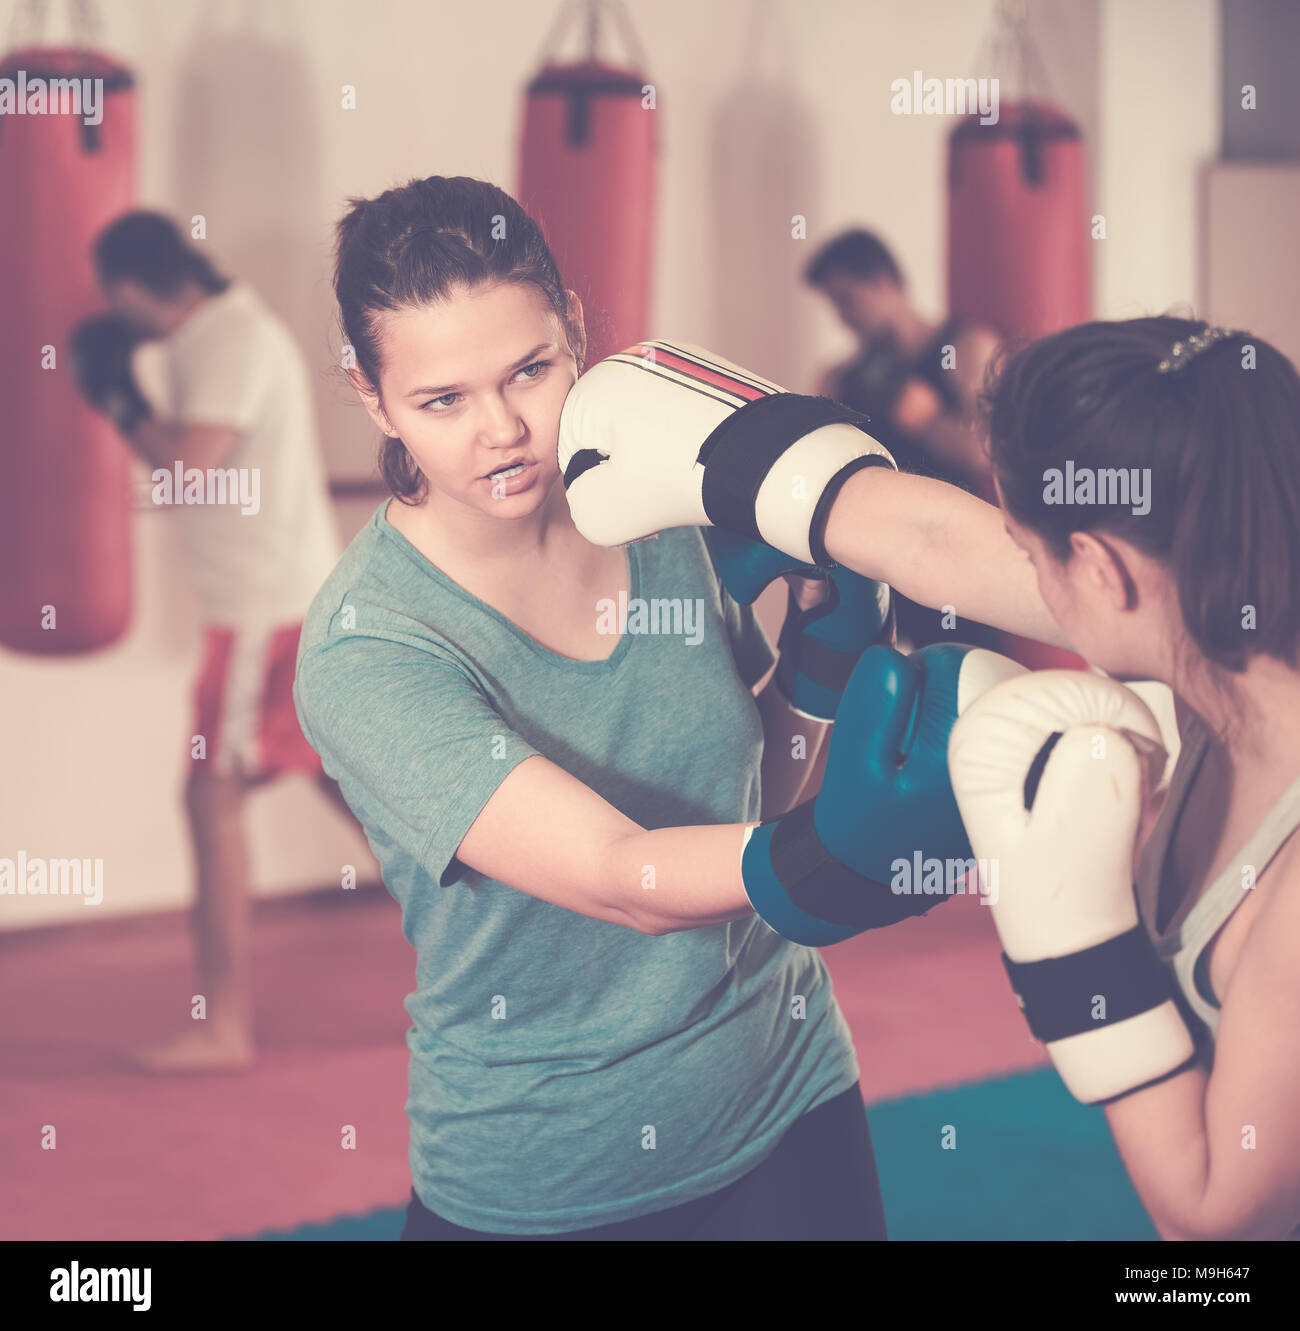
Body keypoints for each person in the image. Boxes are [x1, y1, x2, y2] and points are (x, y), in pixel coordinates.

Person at [293, 176, 1029, 1241]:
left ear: (576, 330)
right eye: (441, 400)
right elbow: (619, 873)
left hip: (789, 1088)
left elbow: (744, 787)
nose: (501, 430)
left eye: (529, 371)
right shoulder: (373, 646)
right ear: (370, 396)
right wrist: (831, 856)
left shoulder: (648, 500)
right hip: (554, 1170)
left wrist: (817, 663)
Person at [564, 312, 1300, 1239]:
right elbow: (950, 550)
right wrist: (763, 462)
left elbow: (1215, 1223)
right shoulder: (1226, 652)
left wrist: (1080, 945)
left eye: (1036, 555)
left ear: (1107, 570)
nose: (1024, 575)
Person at [69, 212, 348, 1073]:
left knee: (210, 798)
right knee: (370, 795)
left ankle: (223, 1024)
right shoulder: (239, 328)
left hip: (265, 618)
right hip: (289, 606)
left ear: (128, 289)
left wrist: (120, 403)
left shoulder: (225, 338)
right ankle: (522, 961)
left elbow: (194, 466)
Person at [804, 228, 1003, 649]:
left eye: (847, 300)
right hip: (875, 565)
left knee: (962, 687)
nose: (842, 317)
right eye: (834, 305)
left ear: (883, 281)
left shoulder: (966, 348)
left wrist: (928, 422)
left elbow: (985, 456)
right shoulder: (845, 377)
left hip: (956, 560)